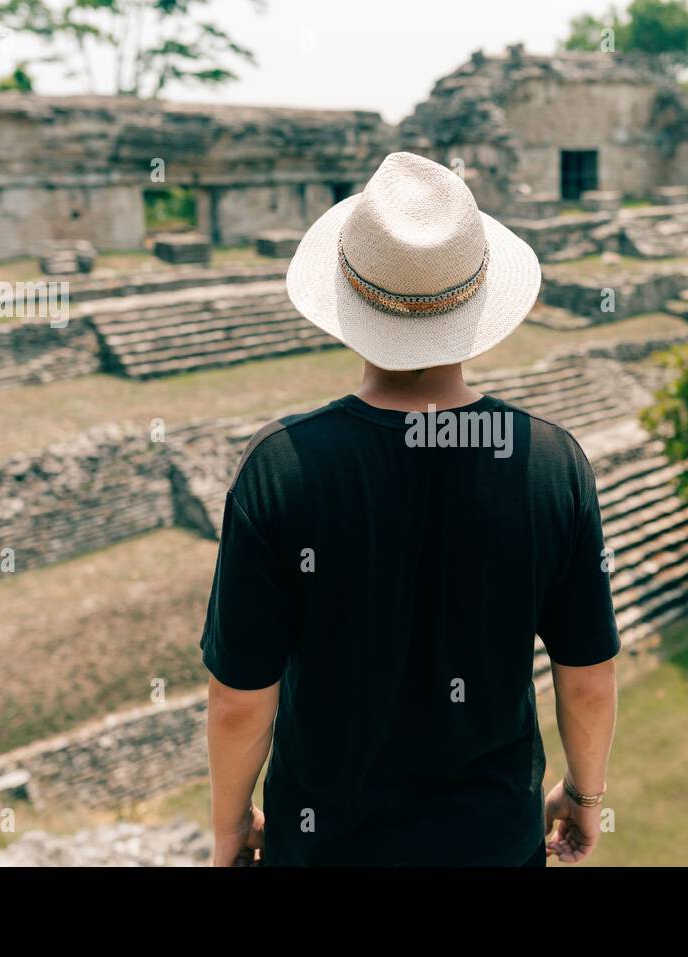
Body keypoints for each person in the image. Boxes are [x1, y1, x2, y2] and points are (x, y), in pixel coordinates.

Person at [201, 151, 619, 867]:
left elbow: (241, 700)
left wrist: (231, 824)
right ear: (476, 304)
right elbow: (587, 681)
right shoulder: (551, 462)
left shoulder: (280, 466)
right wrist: (583, 794)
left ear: (349, 300)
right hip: (492, 842)